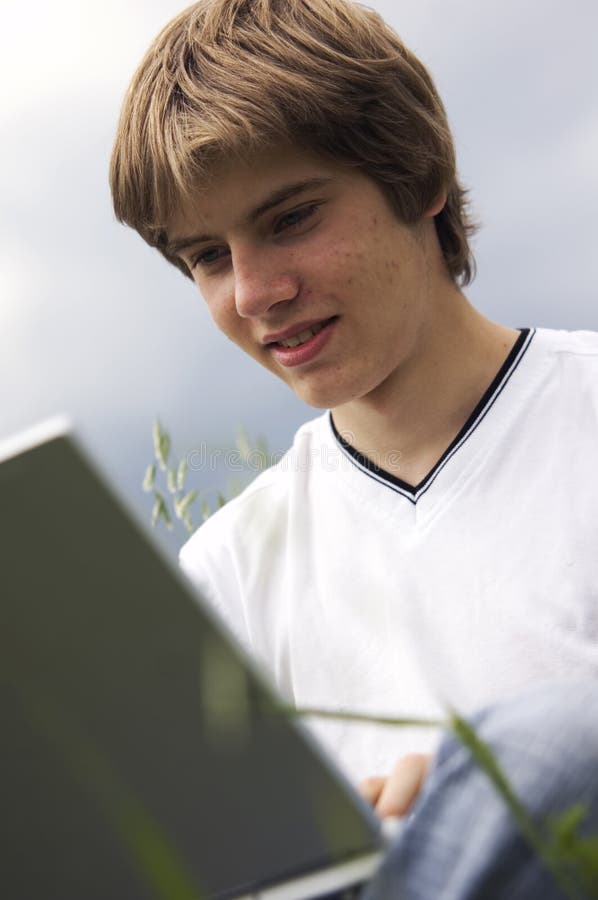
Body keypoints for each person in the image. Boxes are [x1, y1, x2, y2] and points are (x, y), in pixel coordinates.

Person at [110, 0, 598, 894]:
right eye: (208, 258)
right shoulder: (230, 570)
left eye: (290, 218)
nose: (254, 292)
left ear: (418, 181)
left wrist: (472, 799)